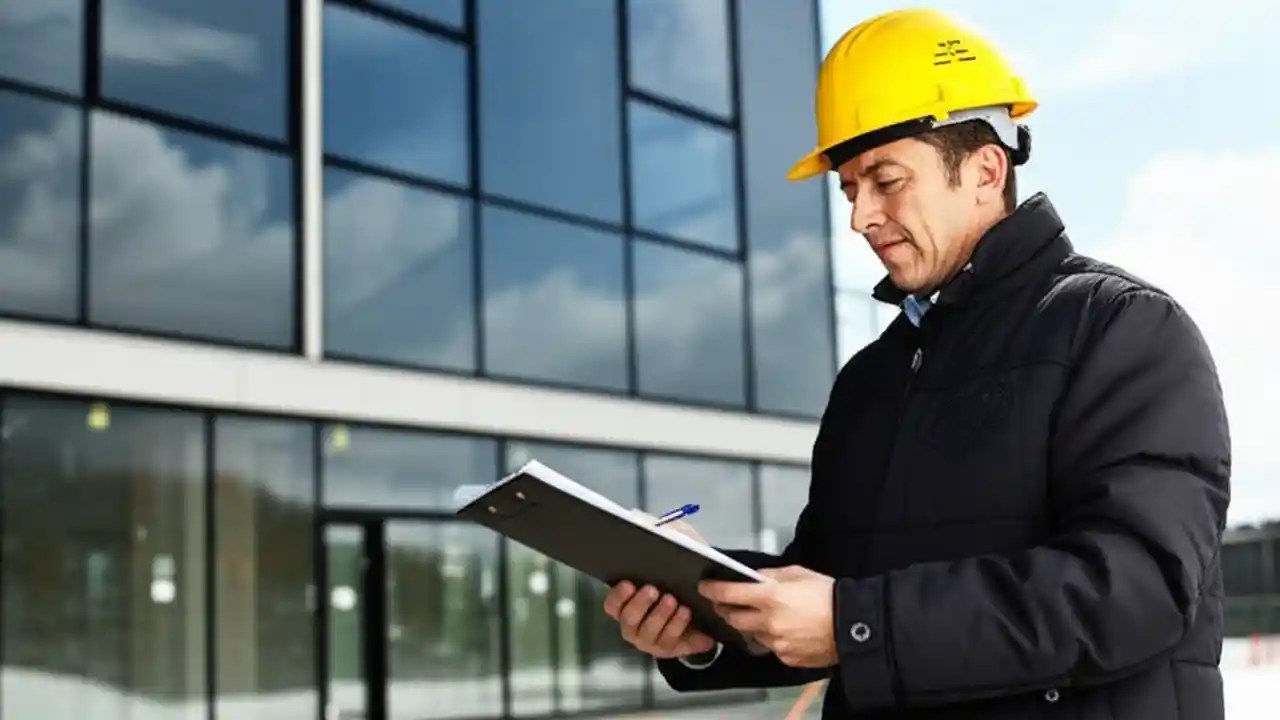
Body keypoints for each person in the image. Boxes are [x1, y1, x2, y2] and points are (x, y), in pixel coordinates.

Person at [602, 7, 1231, 719]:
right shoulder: (871, 380)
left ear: (986, 171)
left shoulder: (1121, 328)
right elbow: (829, 592)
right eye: (849, 190)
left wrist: (853, 623)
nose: (860, 217)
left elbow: (1134, 589)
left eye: (886, 180)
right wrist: (703, 613)